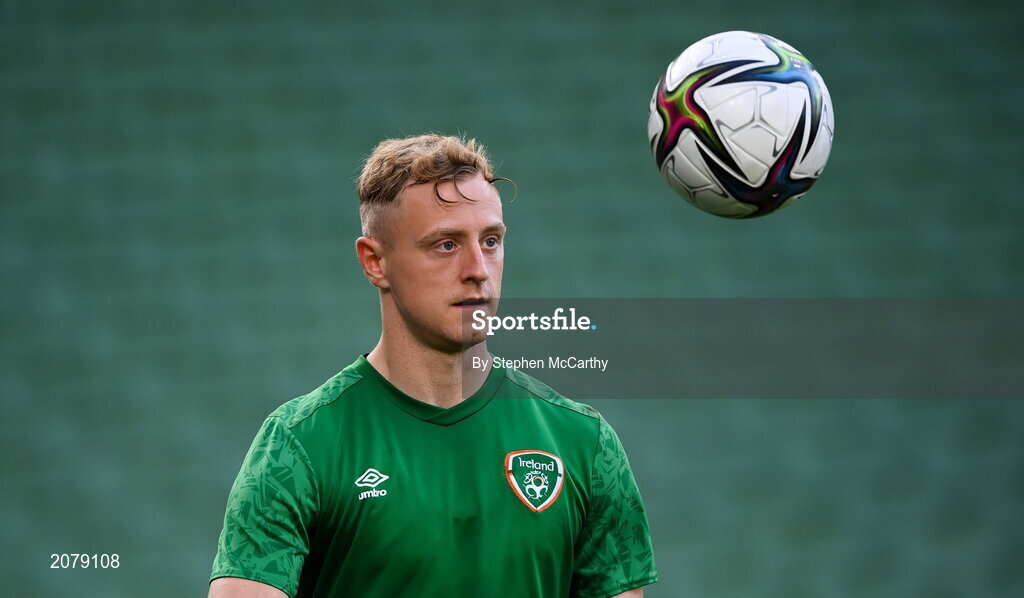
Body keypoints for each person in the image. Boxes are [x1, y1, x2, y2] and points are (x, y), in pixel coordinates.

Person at [208, 134, 658, 598]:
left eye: (491, 241)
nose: (478, 268)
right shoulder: (299, 444)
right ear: (375, 262)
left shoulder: (584, 443)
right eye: (446, 245)